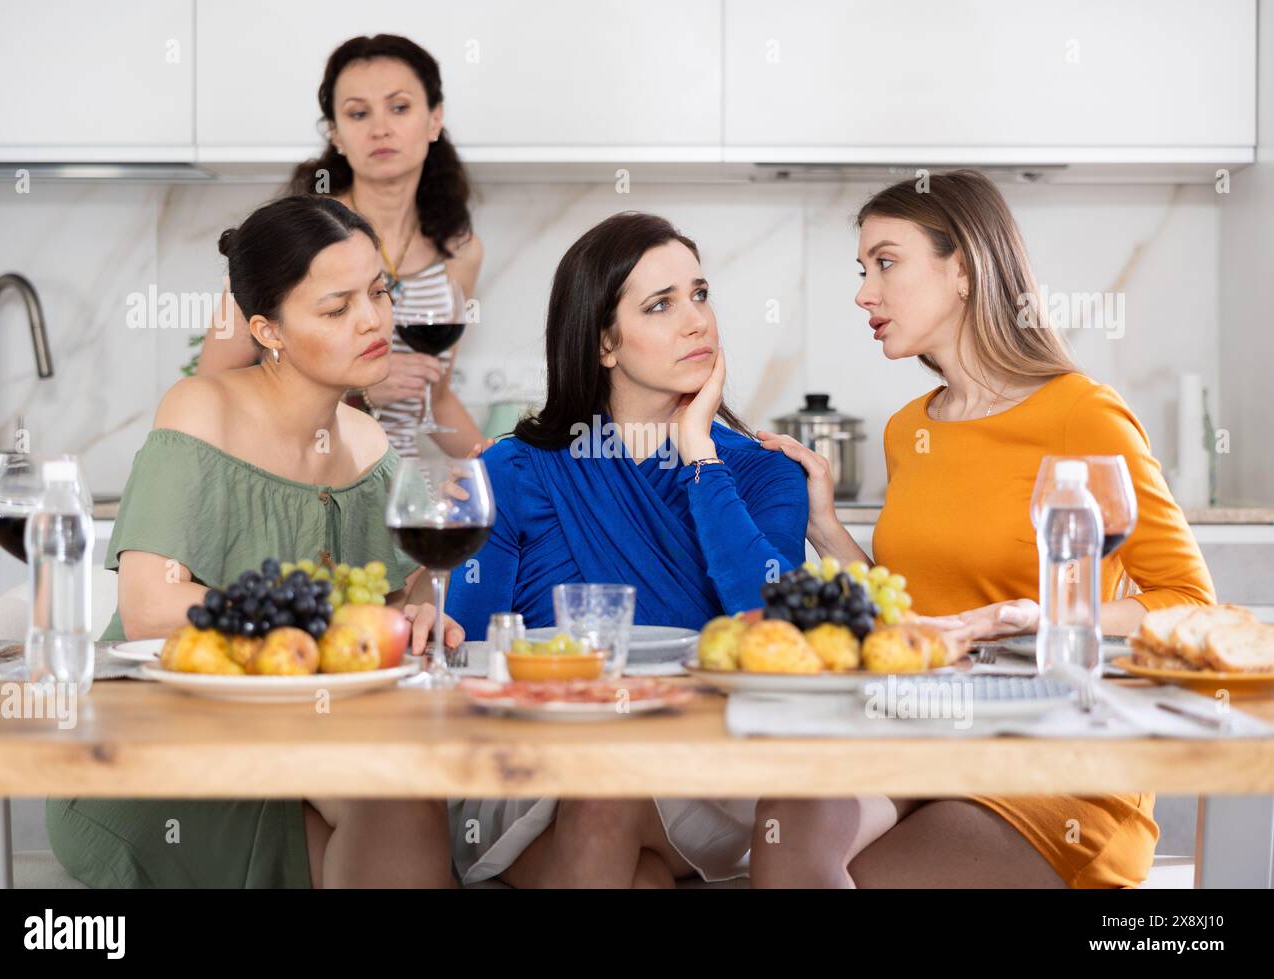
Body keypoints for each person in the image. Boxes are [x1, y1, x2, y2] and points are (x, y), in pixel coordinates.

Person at [754, 170, 1215, 888]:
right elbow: (917, 619)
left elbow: (1189, 601)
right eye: (862, 268)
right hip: (924, 728)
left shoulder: (1081, 413)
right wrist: (826, 526)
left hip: (1054, 757)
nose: (863, 292)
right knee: (785, 837)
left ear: (963, 268)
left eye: (886, 261)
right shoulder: (910, 429)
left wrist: (1052, 616)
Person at [47, 195, 466, 888]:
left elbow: (404, 592)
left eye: (379, 293)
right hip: (170, 756)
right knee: (396, 814)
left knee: (405, 806)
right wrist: (332, 620)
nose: (373, 321)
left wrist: (419, 611)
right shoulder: (201, 409)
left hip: (303, 741)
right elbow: (152, 606)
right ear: (267, 330)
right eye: (336, 309)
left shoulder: (368, 444)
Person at [445, 212, 809, 887]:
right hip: (539, 764)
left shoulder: (764, 472)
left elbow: (778, 634)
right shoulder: (512, 470)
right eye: (660, 305)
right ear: (605, 343)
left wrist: (702, 457)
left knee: (608, 795)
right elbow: (466, 651)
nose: (696, 320)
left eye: (699, 294)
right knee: (611, 813)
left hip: (709, 764)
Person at [197, 33, 484, 459]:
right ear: (336, 133)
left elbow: (435, 399)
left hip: (402, 493)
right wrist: (358, 389)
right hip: (310, 484)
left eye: (400, 107)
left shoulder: (459, 250)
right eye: (358, 113)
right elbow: (212, 384)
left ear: (434, 119)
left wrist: (500, 463)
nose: (380, 128)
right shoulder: (295, 237)